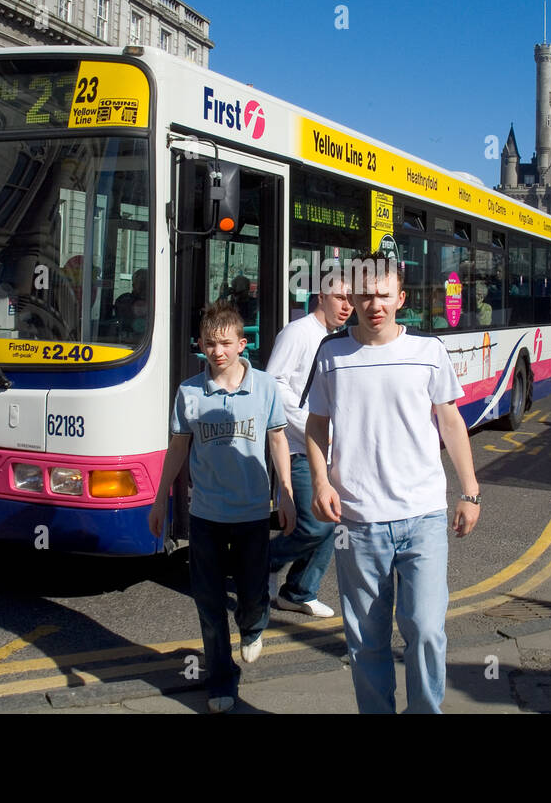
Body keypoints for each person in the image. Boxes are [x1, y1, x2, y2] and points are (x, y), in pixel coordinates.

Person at [303, 252, 481, 713]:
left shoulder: (428, 352)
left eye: (384, 294)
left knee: (425, 627)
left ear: (400, 298)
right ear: (353, 299)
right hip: (358, 522)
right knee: (366, 642)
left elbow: (451, 422)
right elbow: (316, 425)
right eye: (365, 294)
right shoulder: (332, 353)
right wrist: (320, 483)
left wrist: (469, 491)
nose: (374, 304)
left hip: (422, 516)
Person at [147, 301, 295, 713]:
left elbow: (278, 441)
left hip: (251, 514)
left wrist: (286, 494)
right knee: (208, 604)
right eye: (210, 344)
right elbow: (178, 446)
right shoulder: (190, 392)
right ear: (200, 345)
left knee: (250, 596)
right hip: (206, 516)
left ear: (242, 344)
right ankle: (220, 680)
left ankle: (253, 628)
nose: (218, 352)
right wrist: (161, 498)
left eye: (226, 343)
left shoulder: (265, 387)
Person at [266, 275, 354, 618]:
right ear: (321, 296)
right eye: (340, 298)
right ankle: (265, 561)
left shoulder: (337, 339)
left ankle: (298, 591)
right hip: (298, 447)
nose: (347, 306)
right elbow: (274, 383)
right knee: (316, 525)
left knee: (332, 520)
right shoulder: (298, 332)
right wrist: (312, 427)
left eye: (351, 300)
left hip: (329, 449)